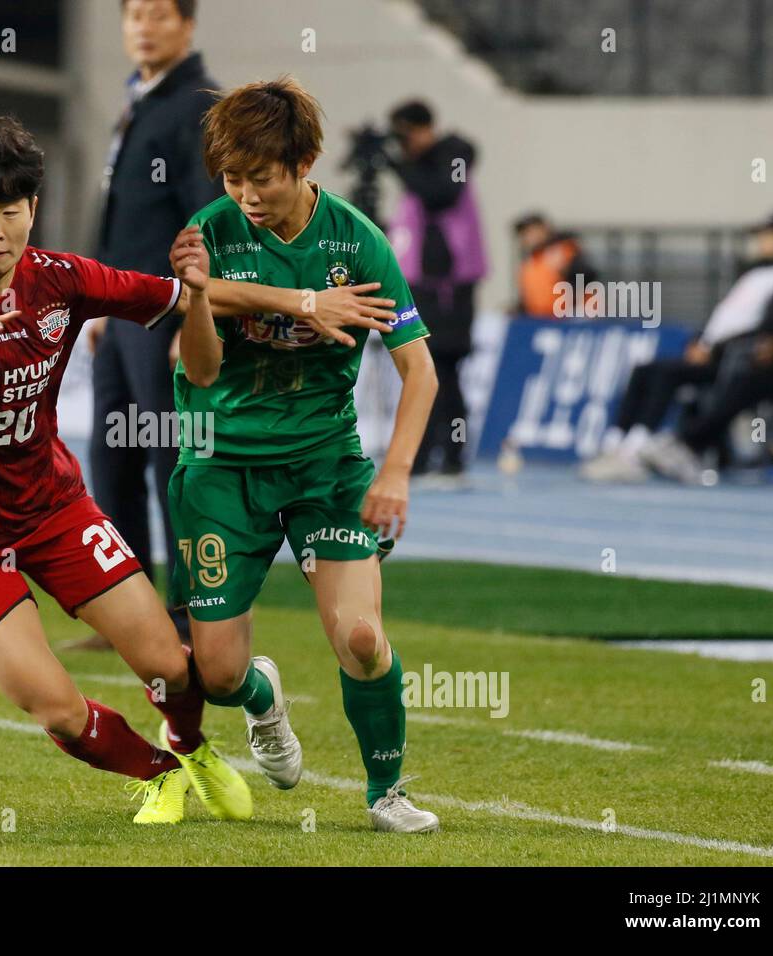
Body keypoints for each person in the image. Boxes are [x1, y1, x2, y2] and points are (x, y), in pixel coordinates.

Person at [0, 115, 251, 825]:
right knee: (58, 707)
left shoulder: (62, 280)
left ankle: (191, 745)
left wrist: (235, 295)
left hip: (51, 510)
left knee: (170, 661)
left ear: (31, 210)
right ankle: (157, 773)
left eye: (8, 212)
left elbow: (167, 295)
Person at [168, 77, 443, 833]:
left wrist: (395, 474)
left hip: (326, 464)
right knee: (217, 674)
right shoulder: (211, 233)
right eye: (232, 177)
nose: (247, 193)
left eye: (262, 175)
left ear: (305, 162)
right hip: (220, 466)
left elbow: (420, 369)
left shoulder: (357, 242)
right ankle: (262, 696)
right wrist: (207, 298)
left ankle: (387, 791)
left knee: (361, 637)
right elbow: (195, 369)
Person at [78, 0, 223, 649]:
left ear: (188, 26)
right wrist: (96, 303)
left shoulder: (196, 104)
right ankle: (131, 618)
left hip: (164, 314)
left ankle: (193, 619)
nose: (143, 25)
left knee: (177, 465)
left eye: (159, 14)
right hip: (120, 313)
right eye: (133, 13)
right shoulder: (141, 99)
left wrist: (197, 316)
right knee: (110, 461)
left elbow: (209, 218)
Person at [583, 214, 773, 483]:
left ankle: (638, 450)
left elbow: (770, 328)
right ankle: (617, 443)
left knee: (670, 376)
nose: (760, 242)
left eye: (767, 237)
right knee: (646, 370)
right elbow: (726, 318)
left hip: (735, 359)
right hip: (717, 352)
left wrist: (715, 349)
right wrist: (700, 341)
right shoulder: (757, 274)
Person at [641, 223, 773, 484]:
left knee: (742, 382)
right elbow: (765, 325)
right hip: (768, 362)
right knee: (736, 379)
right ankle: (681, 445)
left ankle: (687, 443)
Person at [384, 99, 487, 482]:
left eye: (404, 135)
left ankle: (452, 456)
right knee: (418, 369)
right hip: (420, 285)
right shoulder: (418, 168)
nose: (403, 145)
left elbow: (441, 192)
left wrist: (398, 165)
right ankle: (423, 455)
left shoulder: (455, 155)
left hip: (450, 288)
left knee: (444, 368)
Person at [513, 212, 600, 319]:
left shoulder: (563, 250)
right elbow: (530, 299)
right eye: (524, 234)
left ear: (544, 230)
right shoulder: (529, 264)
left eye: (532, 232)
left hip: (570, 319)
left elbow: (587, 276)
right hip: (540, 321)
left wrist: (568, 271)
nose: (529, 238)